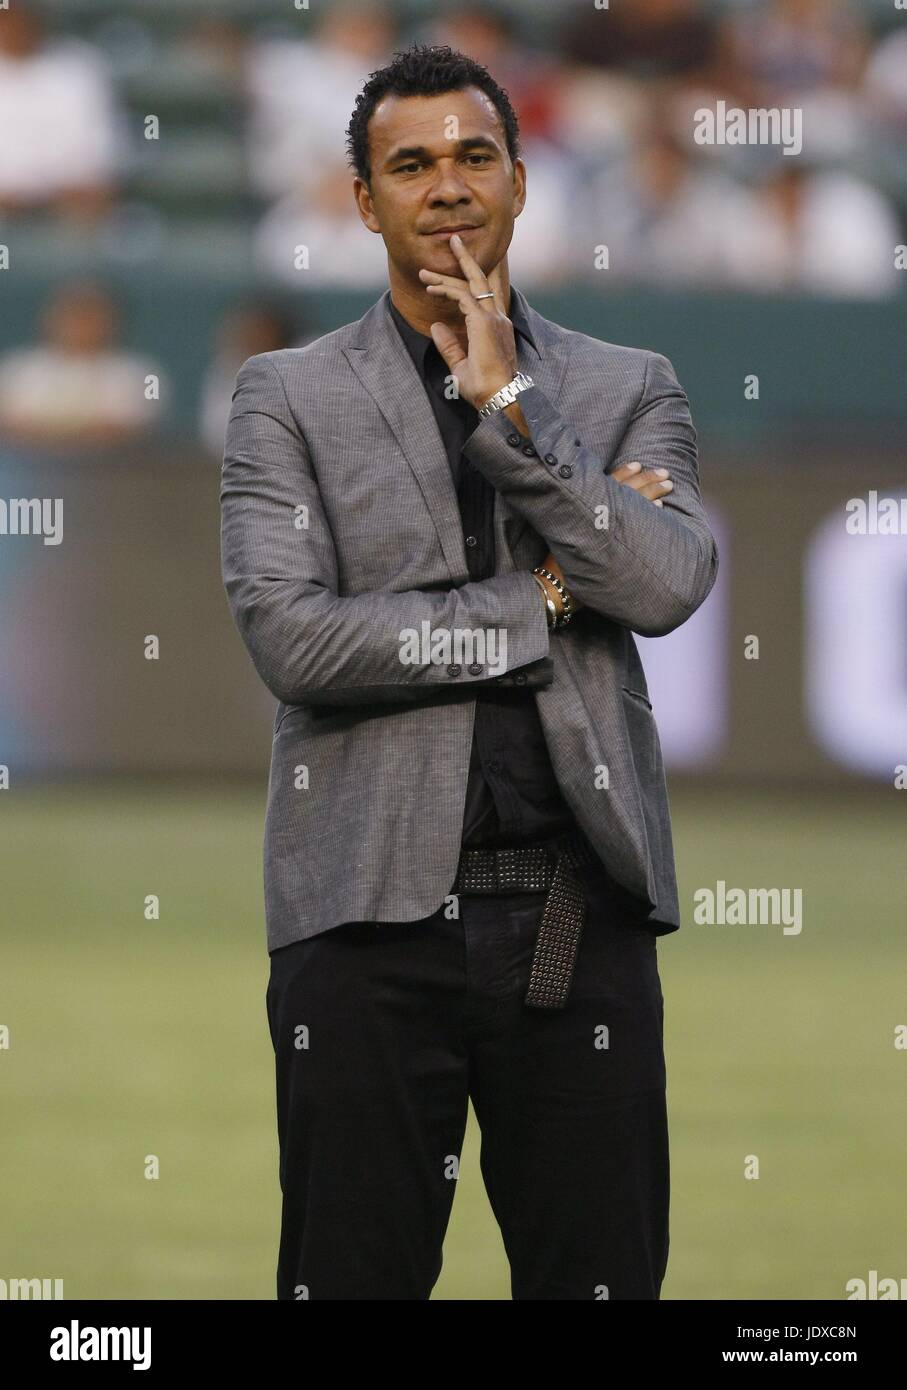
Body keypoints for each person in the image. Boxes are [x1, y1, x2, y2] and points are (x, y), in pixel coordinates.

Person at [220, 44, 719, 1301]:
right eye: (410, 164)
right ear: (363, 198)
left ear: (519, 179)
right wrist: (551, 594)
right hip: (365, 918)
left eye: (472, 157)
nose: (445, 186)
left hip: (579, 915)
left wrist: (517, 413)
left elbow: (661, 585)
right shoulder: (284, 398)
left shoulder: (621, 388)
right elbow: (298, 641)